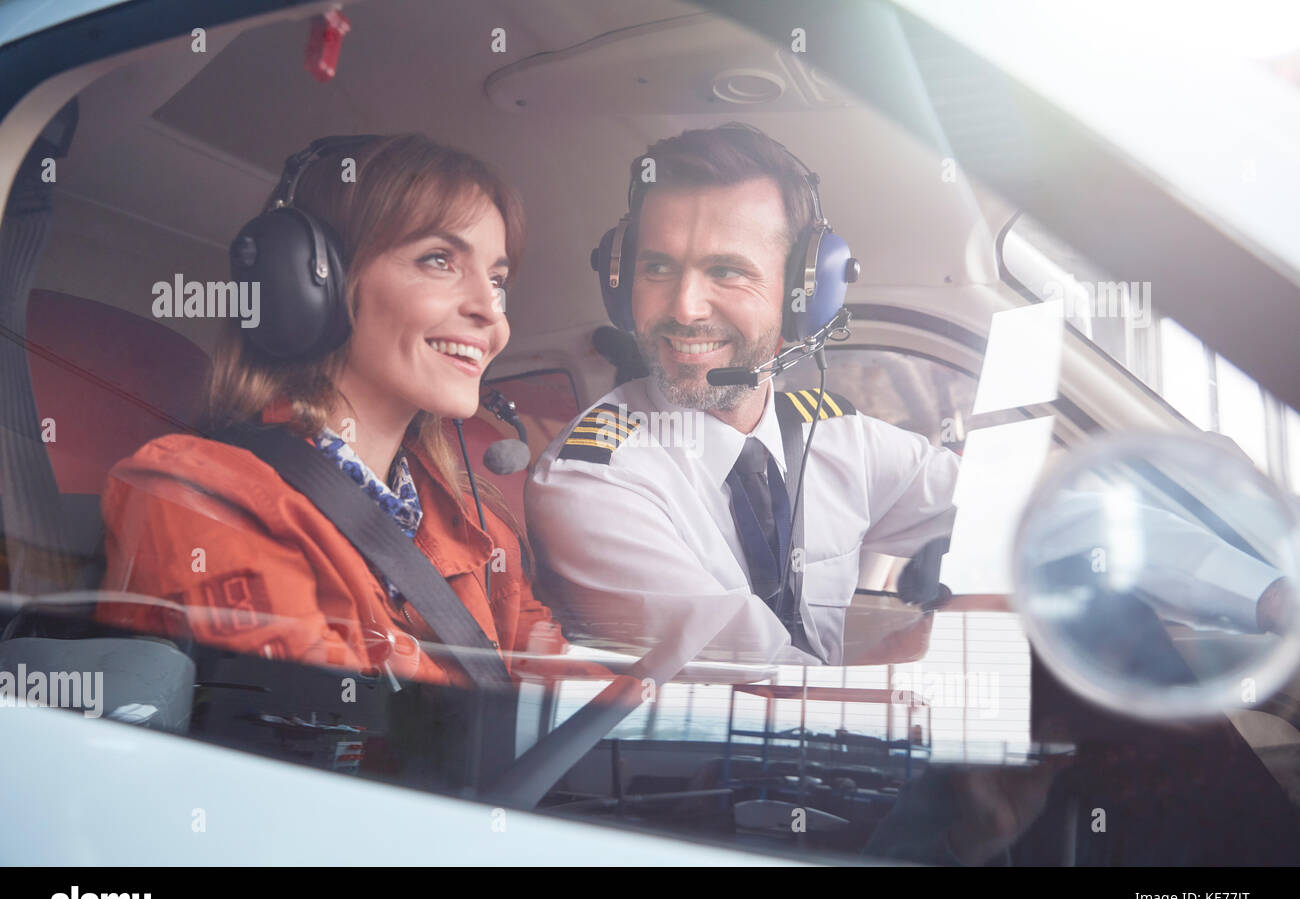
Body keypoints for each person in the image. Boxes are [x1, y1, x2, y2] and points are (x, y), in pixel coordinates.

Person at [526, 122, 1292, 672]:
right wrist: (947, 643)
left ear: (806, 295)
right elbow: (767, 699)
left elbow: (1051, 512)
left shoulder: (830, 437)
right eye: (659, 269)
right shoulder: (597, 480)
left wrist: (1267, 597)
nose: (684, 307)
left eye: (727, 272)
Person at [95, 133, 588, 687]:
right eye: (439, 260)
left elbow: (559, 676)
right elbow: (345, 728)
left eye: (497, 281)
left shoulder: (480, 528)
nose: (490, 313)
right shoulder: (197, 496)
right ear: (306, 282)